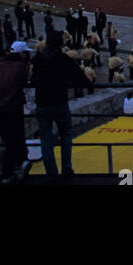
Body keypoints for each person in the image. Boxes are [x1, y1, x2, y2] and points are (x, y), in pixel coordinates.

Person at [31, 30, 92, 181]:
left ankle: (51, 173)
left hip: (42, 104)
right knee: (65, 135)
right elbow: (82, 80)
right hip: (59, 103)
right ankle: (66, 168)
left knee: (46, 139)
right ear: (60, 43)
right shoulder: (64, 59)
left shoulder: (38, 59)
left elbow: (33, 81)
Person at [0, 41, 32, 183]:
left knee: (9, 140)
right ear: (20, 53)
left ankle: (18, 164)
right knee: (15, 139)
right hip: (12, 107)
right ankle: (10, 171)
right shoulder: (21, 67)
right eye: (25, 52)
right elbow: (24, 82)